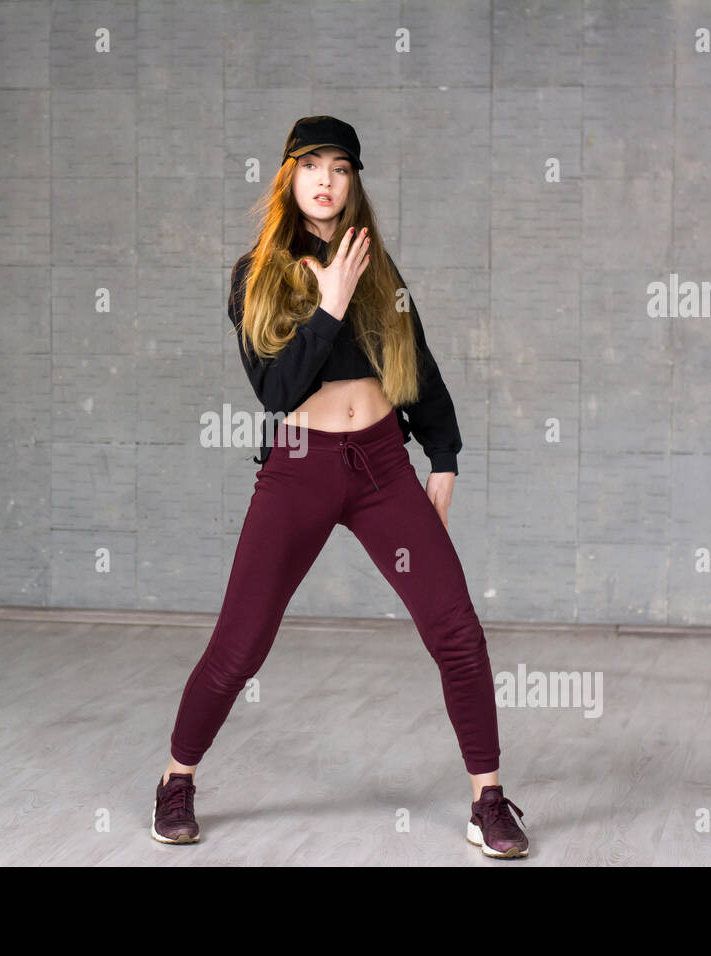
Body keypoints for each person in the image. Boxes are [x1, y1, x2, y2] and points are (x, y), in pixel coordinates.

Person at [152, 116, 528, 858]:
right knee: (241, 644)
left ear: (355, 182)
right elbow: (276, 390)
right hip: (300, 469)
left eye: (340, 168)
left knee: (456, 630)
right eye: (310, 165)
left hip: (384, 468)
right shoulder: (255, 275)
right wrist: (326, 304)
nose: (325, 180)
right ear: (289, 179)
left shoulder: (380, 273)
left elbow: (417, 368)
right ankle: (176, 780)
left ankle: (488, 800)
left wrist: (442, 457)